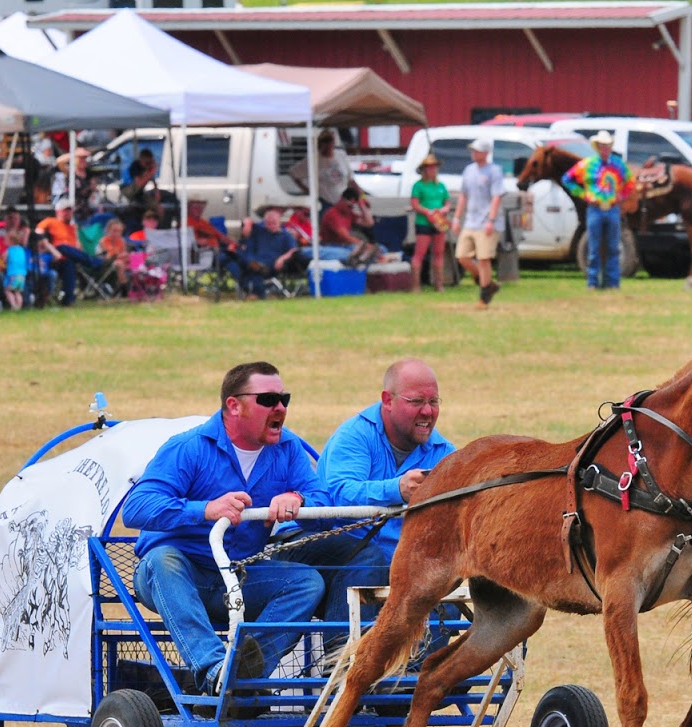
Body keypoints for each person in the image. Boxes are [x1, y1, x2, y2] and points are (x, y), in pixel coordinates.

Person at [124, 362, 326, 695]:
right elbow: (137, 507)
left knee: (306, 582)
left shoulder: (288, 449)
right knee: (163, 560)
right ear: (234, 405)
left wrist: (297, 499)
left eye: (284, 399)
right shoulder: (188, 447)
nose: (280, 408)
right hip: (176, 574)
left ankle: (243, 672)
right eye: (268, 399)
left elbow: (322, 500)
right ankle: (214, 670)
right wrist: (205, 509)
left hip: (237, 575)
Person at [282, 358, 456, 635]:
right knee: (370, 559)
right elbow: (338, 496)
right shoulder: (356, 436)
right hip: (316, 544)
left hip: (390, 559)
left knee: (446, 591)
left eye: (434, 402)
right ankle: (341, 665)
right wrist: (396, 489)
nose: (427, 411)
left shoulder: (444, 453)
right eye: (416, 402)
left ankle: (424, 676)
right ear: (387, 400)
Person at [561, 130, 632, 292]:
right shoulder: (587, 164)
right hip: (595, 208)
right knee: (594, 246)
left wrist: (621, 196)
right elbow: (567, 179)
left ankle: (612, 282)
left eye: (607, 146)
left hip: (612, 208)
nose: (604, 149)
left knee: (613, 246)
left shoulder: (618, 164)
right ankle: (592, 281)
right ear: (597, 147)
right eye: (602, 146)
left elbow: (630, 182)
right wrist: (583, 194)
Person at [454, 137, 506, 307]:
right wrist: (456, 218)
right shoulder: (469, 170)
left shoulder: (494, 171)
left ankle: (484, 297)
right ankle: (488, 283)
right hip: (470, 221)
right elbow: (463, 195)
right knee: (462, 256)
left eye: (477, 150)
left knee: (484, 259)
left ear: (486, 153)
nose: (473, 153)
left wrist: (491, 220)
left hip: (486, 222)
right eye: (473, 150)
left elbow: (496, 197)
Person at [35, 199, 105, 307]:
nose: (68, 213)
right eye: (65, 211)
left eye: (70, 211)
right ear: (58, 212)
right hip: (52, 256)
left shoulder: (72, 228)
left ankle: (68, 299)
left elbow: (77, 247)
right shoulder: (50, 221)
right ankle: (93, 262)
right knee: (63, 247)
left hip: (66, 258)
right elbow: (38, 232)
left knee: (70, 263)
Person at [235, 206, 300, 299]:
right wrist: (247, 224)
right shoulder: (260, 231)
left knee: (254, 271)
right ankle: (257, 293)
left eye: (274, 223)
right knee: (246, 264)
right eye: (268, 223)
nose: (271, 226)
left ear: (279, 222)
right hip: (254, 262)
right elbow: (247, 221)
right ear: (264, 223)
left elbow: (293, 250)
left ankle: (256, 293)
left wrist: (282, 258)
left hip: (271, 263)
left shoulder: (286, 236)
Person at [409, 154, 450, 292]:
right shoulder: (418, 186)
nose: (433, 170)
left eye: (434, 168)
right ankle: (416, 286)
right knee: (419, 253)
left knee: (439, 253)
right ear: (424, 170)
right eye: (430, 168)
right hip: (424, 222)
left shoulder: (441, 186)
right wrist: (427, 212)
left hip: (439, 222)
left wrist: (442, 211)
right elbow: (415, 204)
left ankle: (439, 284)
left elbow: (447, 203)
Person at [289, 129, 358, 209]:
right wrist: (307, 190)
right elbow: (293, 173)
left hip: (344, 202)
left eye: (330, 140)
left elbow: (351, 179)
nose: (328, 144)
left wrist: (361, 196)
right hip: (325, 203)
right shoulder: (313, 159)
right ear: (320, 143)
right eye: (325, 141)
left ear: (334, 141)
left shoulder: (341, 155)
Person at [319, 188, 377, 267]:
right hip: (331, 245)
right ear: (342, 200)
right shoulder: (332, 214)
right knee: (350, 252)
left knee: (381, 249)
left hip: (345, 245)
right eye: (349, 206)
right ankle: (360, 259)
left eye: (352, 207)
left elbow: (369, 223)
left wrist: (362, 205)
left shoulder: (349, 213)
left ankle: (363, 259)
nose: (351, 208)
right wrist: (365, 246)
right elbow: (345, 237)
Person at [98, 218, 131, 288]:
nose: (117, 234)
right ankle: (125, 289)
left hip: (119, 264)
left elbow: (124, 254)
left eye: (119, 231)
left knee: (136, 262)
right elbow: (110, 256)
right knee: (119, 263)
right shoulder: (103, 241)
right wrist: (122, 256)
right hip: (105, 267)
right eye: (114, 231)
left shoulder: (121, 241)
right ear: (107, 230)